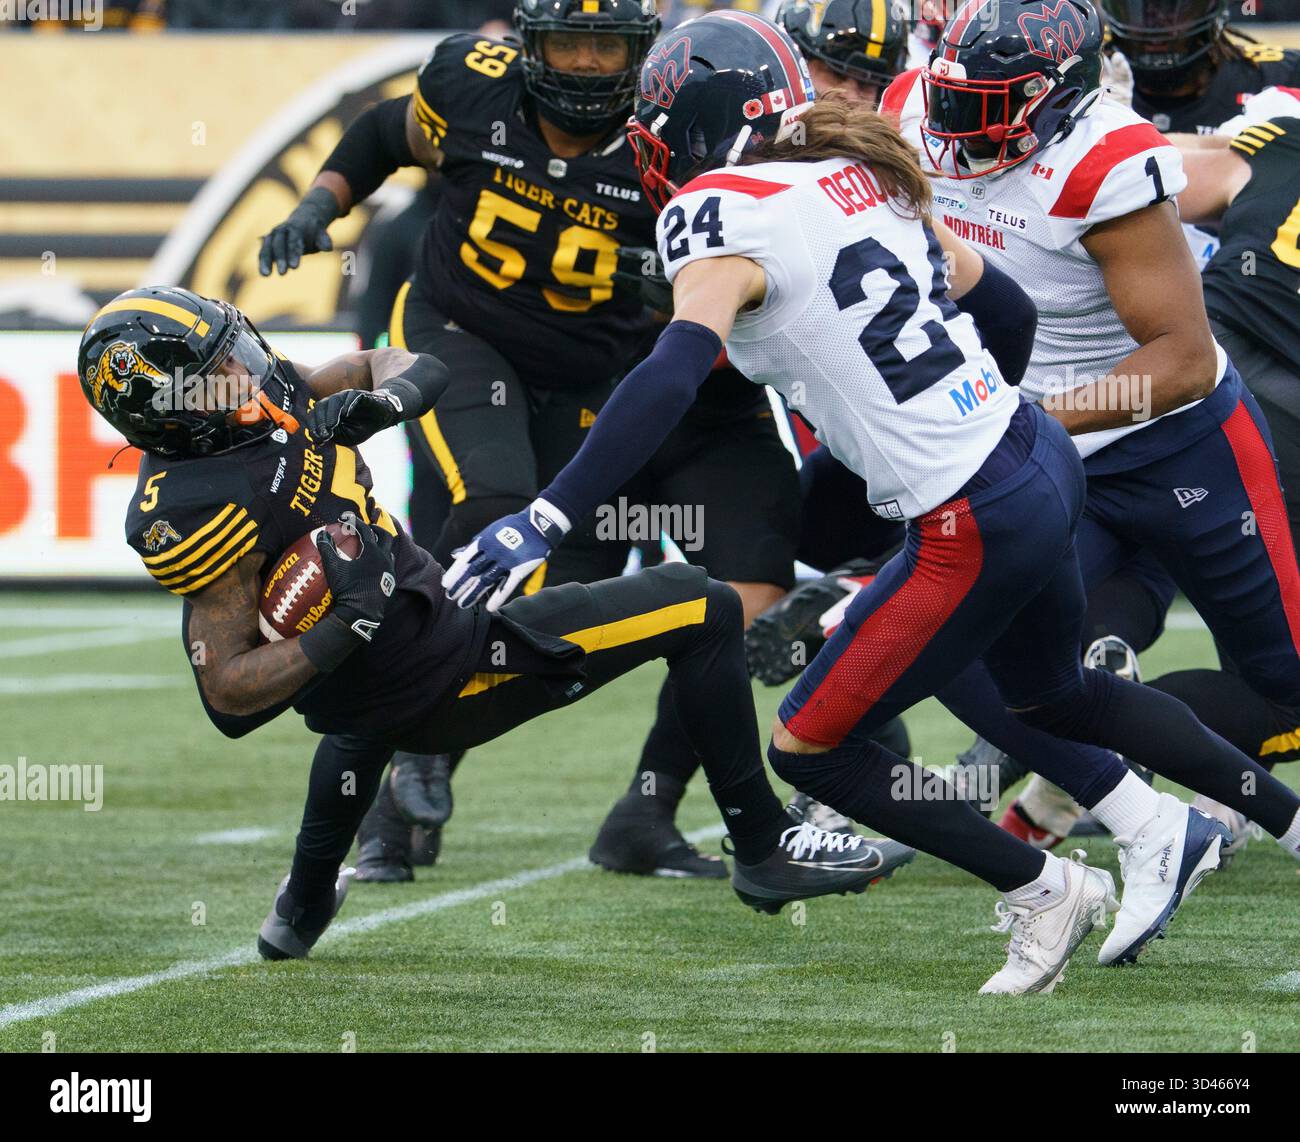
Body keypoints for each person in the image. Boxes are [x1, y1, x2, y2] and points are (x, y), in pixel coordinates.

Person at [437, 11, 1300, 991]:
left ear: (684, 129)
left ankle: (1044, 886)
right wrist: (976, 411)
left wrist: (546, 515)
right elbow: (1006, 308)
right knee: (1046, 687)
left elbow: (672, 371)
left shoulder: (713, 211)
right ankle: (1177, 824)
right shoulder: (863, 170)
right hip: (1037, 456)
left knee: (808, 742)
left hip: (979, 508)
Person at [77, 285, 909, 960]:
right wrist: (346, 623)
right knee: (705, 603)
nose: (248, 370)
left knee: (361, 724)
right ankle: (763, 847)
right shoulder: (193, 508)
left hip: (398, 652)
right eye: (221, 372)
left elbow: (398, 362)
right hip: (447, 672)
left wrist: (385, 400)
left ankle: (298, 910)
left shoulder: (261, 395)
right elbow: (227, 697)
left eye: (237, 350)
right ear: (167, 411)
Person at [259, 0, 804, 884]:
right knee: (496, 505)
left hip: (588, 373)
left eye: (606, 46)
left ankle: (410, 779)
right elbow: (386, 131)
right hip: (459, 330)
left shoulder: (668, 133)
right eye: (568, 42)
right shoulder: (470, 87)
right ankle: (409, 754)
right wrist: (321, 204)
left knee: (554, 586)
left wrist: (666, 282)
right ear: (529, 43)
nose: (586, 64)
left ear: (643, 54)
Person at [878, 0, 1300, 877]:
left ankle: (1133, 758)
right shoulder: (908, 110)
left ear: (1063, 103)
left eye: (993, 106)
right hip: (1046, 442)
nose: (961, 127)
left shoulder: (1105, 161)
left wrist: (1018, 420)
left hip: (1181, 442)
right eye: (955, 98)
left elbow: (1183, 361)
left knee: (1288, 682)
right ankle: (1120, 793)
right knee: (988, 639)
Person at [1099, 0, 1300, 134]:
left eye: (1172, 9)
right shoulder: (1092, 83)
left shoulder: (1281, 75)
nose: (1156, 27)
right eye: (1141, 9)